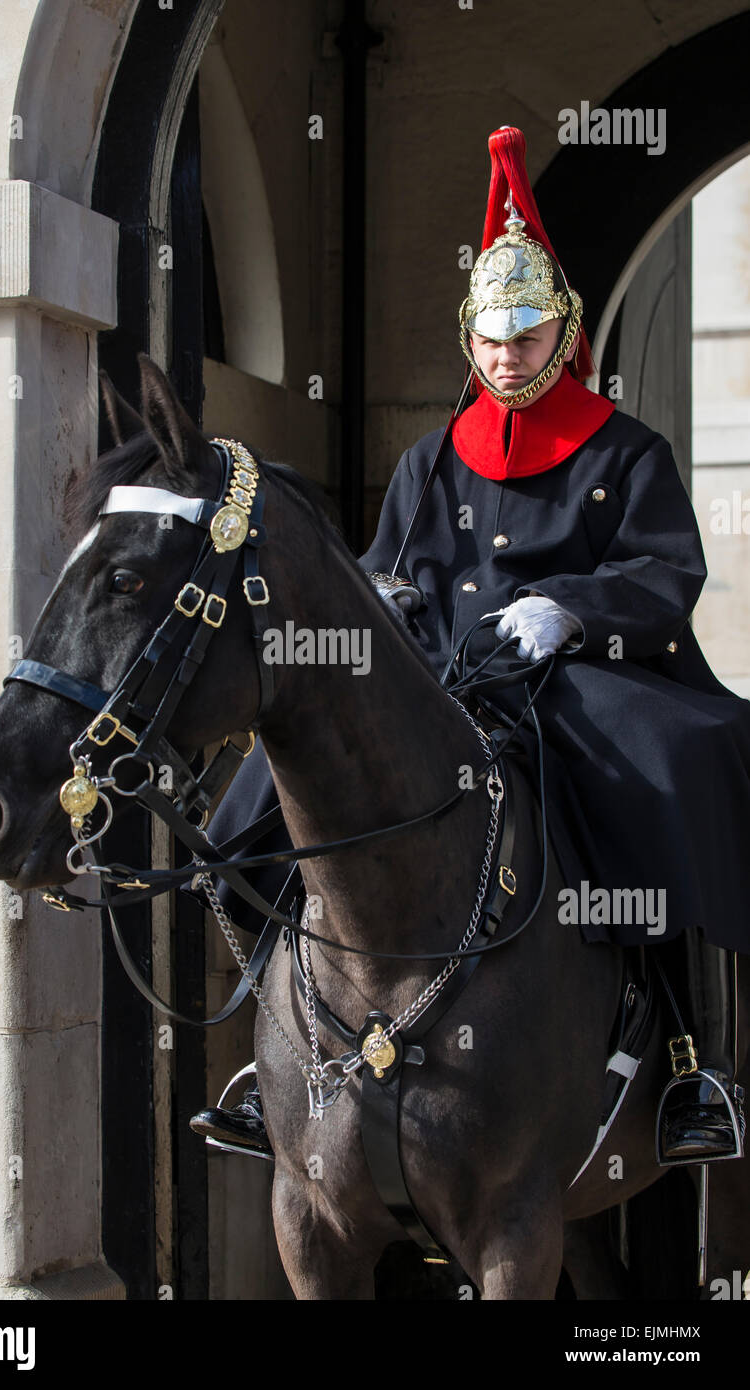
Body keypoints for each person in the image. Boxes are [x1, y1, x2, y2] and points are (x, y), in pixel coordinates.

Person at [190, 126, 747, 1166]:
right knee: (251, 807)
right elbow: (373, 566)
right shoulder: (430, 458)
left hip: (572, 674)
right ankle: (271, 1066)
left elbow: (666, 575)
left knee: (679, 766)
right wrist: (385, 598)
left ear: (563, 331)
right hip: (439, 681)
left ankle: (691, 1065)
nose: (505, 359)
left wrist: (571, 610)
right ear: (468, 338)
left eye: (526, 338)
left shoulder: (625, 452)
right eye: (490, 341)